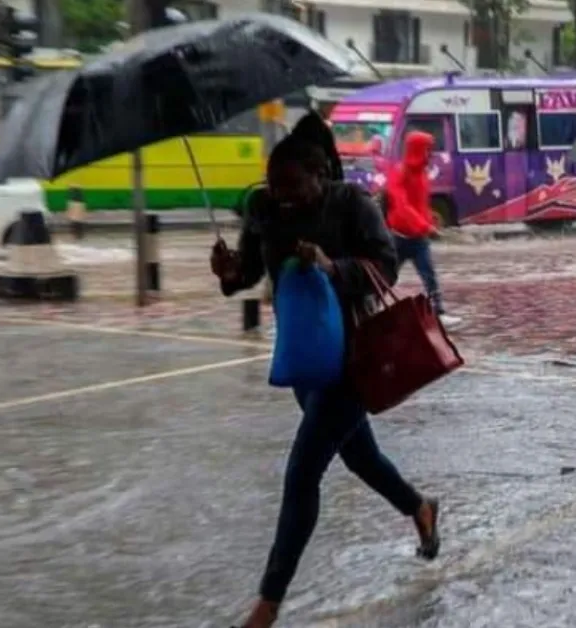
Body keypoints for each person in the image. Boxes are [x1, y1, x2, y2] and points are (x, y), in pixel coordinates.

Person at [210, 113, 441, 628]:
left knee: (302, 472)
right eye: (275, 186)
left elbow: (385, 266)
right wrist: (230, 273)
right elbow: (249, 271)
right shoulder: (263, 209)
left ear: (321, 175)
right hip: (303, 356)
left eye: (293, 186)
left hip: (354, 358)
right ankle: (420, 507)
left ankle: (267, 604)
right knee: (360, 456)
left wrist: (332, 266)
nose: (283, 196)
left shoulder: (352, 204)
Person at [384, 130, 461, 327]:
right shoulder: (399, 173)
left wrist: (429, 221)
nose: (431, 155)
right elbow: (402, 207)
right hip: (398, 238)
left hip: (419, 239)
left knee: (429, 276)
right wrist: (424, 225)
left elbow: (420, 204)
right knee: (386, 276)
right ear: (417, 150)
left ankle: (438, 312)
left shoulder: (422, 174)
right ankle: (371, 307)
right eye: (428, 150)